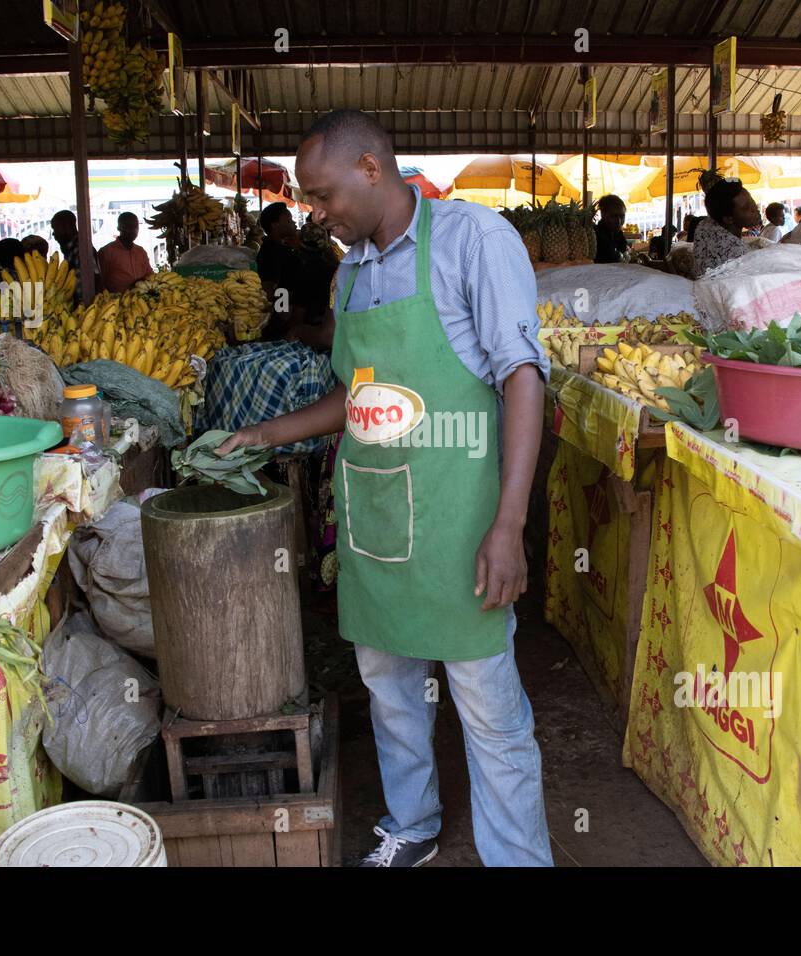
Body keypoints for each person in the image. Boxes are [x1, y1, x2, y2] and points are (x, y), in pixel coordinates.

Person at [216, 109, 552, 868]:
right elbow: (356, 394)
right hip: (374, 515)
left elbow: (522, 379)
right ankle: (414, 822)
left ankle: (519, 857)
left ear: (371, 168)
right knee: (391, 689)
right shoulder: (353, 271)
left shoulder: (473, 240)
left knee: (487, 706)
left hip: (460, 515)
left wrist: (508, 525)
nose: (315, 211)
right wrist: (264, 435)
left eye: (323, 192)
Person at [285, 217, 340, 350]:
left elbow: (299, 313)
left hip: (314, 336)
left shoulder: (303, 269)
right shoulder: (335, 266)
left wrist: (295, 331)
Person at [692, 179, 763, 277]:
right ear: (729, 219)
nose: (755, 208)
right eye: (746, 207)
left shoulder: (705, 225)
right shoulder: (739, 254)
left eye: (752, 200)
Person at [256, 202, 304, 314]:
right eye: (289, 220)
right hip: (284, 316)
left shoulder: (282, 248)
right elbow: (269, 290)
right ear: (275, 225)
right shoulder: (271, 252)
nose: (294, 223)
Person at [97, 212, 153, 294]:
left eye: (135, 226)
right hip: (115, 302)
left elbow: (150, 275)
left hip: (142, 300)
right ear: (119, 227)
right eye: (128, 226)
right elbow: (100, 282)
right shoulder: (107, 252)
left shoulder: (141, 252)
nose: (132, 230)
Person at [51, 209, 100, 302]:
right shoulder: (70, 249)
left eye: (55, 229)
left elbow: (96, 278)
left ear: (67, 227)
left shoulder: (81, 250)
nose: (54, 233)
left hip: (85, 307)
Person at [593, 194, 629, 263]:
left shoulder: (619, 234)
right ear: (603, 214)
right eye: (613, 216)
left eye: (622, 216)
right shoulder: (595, 236)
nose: (619, 221)